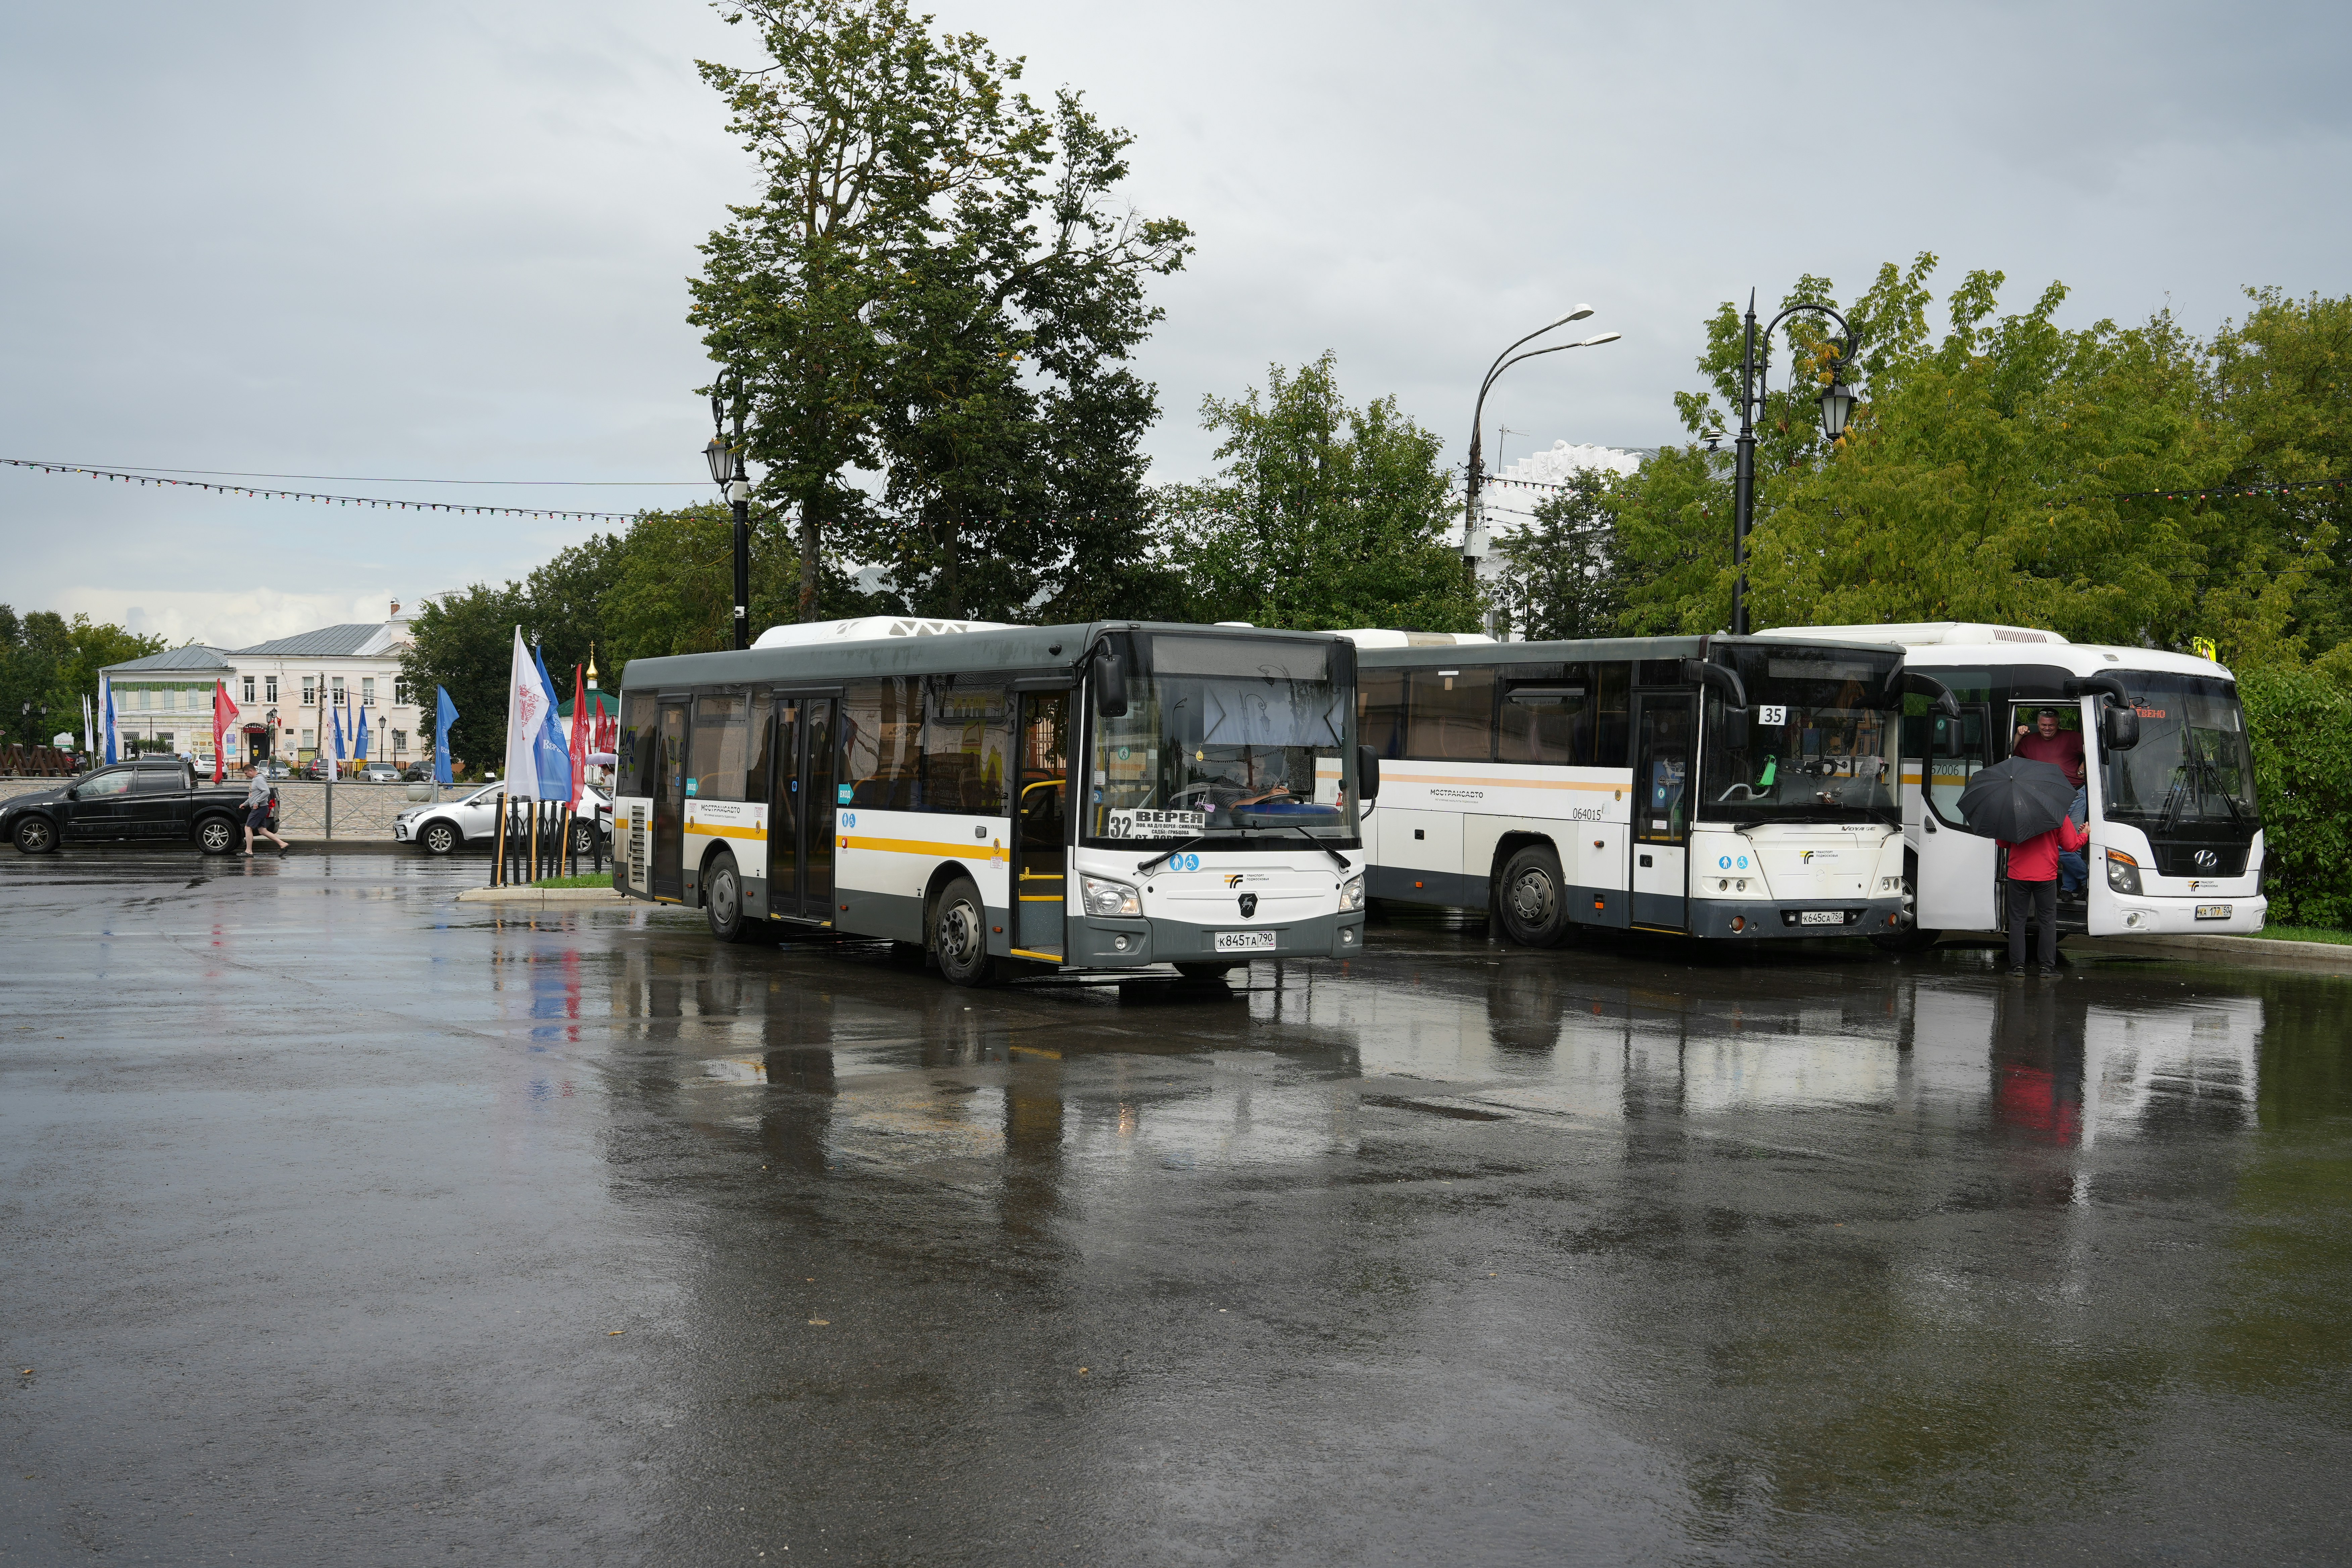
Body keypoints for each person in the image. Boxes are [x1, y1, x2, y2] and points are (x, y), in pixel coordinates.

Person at [2000, 810, 2087, 975]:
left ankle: (2017, 967)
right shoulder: (2057, 812)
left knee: (2018, 921)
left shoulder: (2015, 812)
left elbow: (2003, 843)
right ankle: (2047, 968)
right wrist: (2084, 835)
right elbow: (2070, 846)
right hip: (2045, 876)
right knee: (2048, 922)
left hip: (2018, 874)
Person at [2013, 708, 2086, 788]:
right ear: (2038, 724)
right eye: (2044, 725)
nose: (2047, 728)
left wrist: (2082, 770)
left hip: (2074, 790)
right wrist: (2019, 735)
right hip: (2041, 790)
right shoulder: (2028, 741)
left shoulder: (2072, 737)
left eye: (2051, 725)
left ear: (2058, 725)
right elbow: (2008, 754)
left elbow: (2095, 749)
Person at [240, 765, 290, 855]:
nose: (246, 775)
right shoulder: (257, 779)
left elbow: (266, 792)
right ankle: (283, 845)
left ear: (251, 771)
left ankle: (249, 851)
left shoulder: (259, 779)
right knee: (262, 831)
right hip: (261, 808)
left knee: (248, 828)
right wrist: (246, 804)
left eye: (246, 773)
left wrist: (257, 803)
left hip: (259, 809)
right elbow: (254, 795)